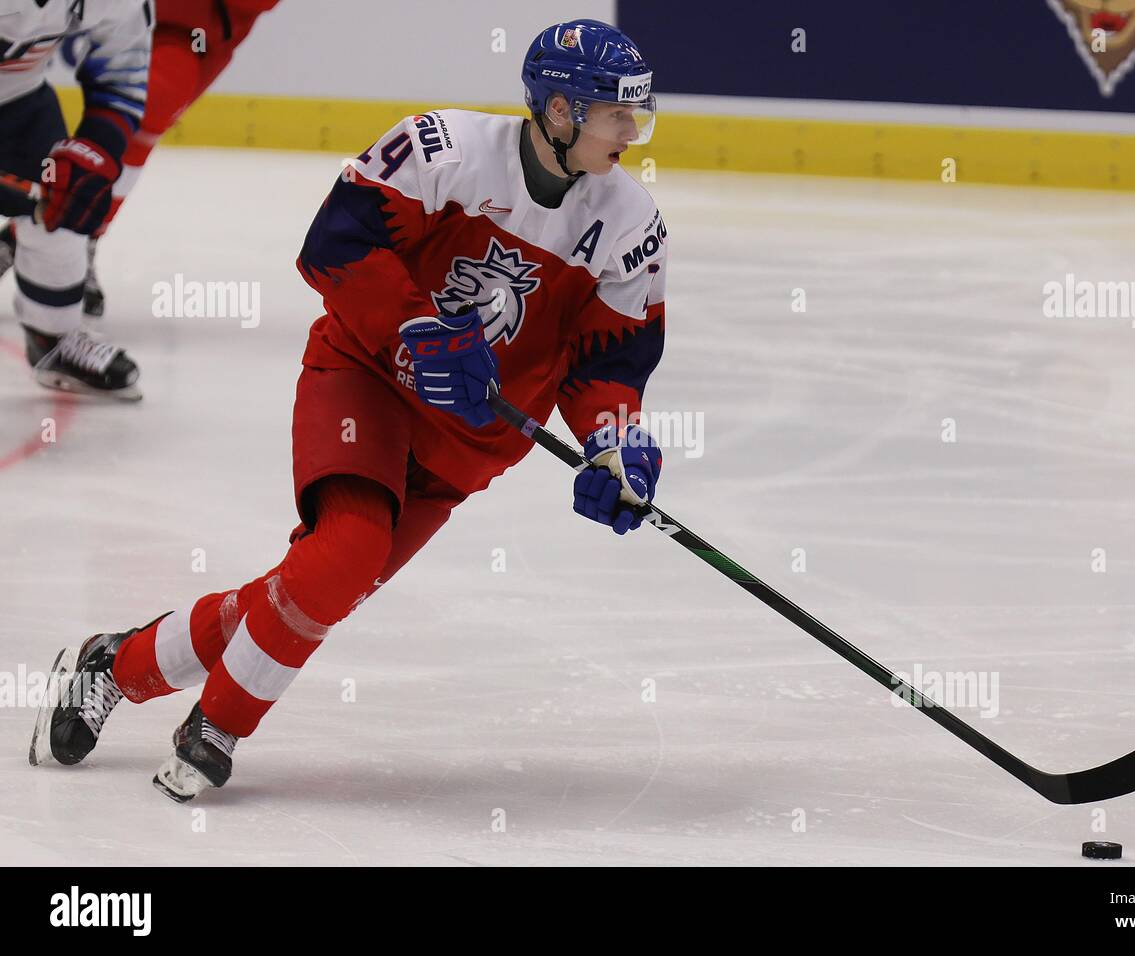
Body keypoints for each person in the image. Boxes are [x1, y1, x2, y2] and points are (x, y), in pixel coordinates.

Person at [29, 18, 669, 803]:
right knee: (344, 554)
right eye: (616, 115)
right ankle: (217, 729)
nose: (632, 134)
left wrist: (615, 443)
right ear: (562, 110)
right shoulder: (446, 150)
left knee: (310, 587)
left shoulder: (631, 224)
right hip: (365, 376)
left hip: (466, 446)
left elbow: (610, 362)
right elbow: (334, 243)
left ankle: (114, 664)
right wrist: (414, 331)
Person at [0, 0, 282, 318]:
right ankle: (70, 229)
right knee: (156, 96)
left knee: (151, 115)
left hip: (230, 17)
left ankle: (67, 229)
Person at [0, 0, 153, 399]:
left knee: (65, 202)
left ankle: (53, 339)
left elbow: (123, 74)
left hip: (20, 99)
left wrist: (95, 153)